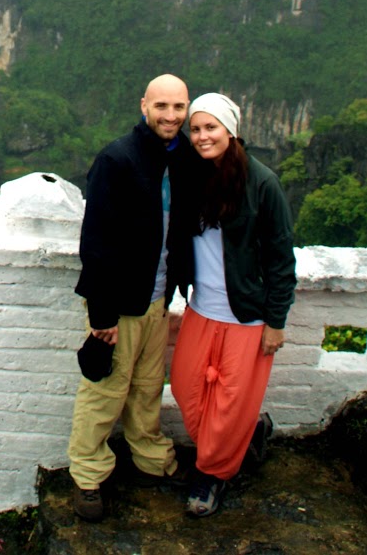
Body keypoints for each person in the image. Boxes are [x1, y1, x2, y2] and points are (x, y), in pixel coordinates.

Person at [67, 73, 197, 522]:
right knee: (105, 390)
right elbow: (96, 241)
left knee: (146, 388)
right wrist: (101, 313)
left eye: (178, 107)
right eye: (161, 106)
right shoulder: (117, 159)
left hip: (157, 299)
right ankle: (88, 475)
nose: (170, 116)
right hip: (118, 304)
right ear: (144, 106)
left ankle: (150, 459)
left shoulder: (182, 159)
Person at [168, 91, 297, 518]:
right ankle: (250, 431)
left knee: (227, 404)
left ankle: (212, 475)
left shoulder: (262, 183)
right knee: (186, 388)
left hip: (247, 315)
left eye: (211, 128)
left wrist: (275, 321)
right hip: (202, 309)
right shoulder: (194, 176)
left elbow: (281, 258)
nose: (202, 136)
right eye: (196, 129)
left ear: (231, 130)